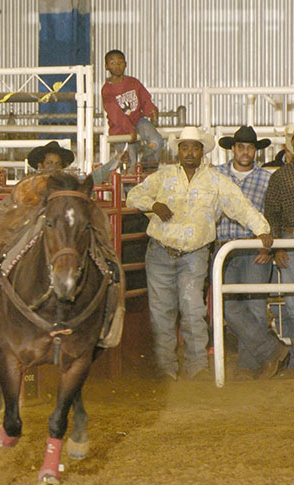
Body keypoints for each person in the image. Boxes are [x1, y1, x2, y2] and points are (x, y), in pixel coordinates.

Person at [126, 127, 272, 381]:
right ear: (179, 150)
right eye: (185, 147)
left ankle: (197, 368)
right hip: (160, 251)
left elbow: (240, 206)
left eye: (195, 147)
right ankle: (166, 369)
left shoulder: (215, 180)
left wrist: (262, 229)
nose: (190, 152)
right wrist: (153, 204)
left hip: (194, 254)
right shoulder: (163, 176)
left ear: (202, 151)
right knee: (162, 313)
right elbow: (134, 195)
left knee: (193, 310)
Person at [214, 126, 288, 379]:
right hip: (225, 248)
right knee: (229, 308)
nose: (245, 152)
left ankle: (248, 367)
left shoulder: (268, 178)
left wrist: (270, 246)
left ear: (255, 151)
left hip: (256, 248)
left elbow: (273, 215)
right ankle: (271, 350)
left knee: (255, 306)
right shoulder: (216, 176)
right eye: (241, 147)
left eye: (250, 147)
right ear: (232, 149)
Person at [263, 129, 294, 372]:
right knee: (291, 305)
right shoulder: (280, 177)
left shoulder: (281, 176)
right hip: (290, 239)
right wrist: (278, 246)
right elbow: (271, 214)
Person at [102, 49, 163, 171]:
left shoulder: (133, 82)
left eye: (120, 62)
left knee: (156, 141)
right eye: (113, 63)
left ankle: (146, 167)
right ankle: (129, 188)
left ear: (126, 64)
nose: (117, 66)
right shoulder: (107, 90)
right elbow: (116, 114)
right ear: (106, 66)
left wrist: (151, 110)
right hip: (120, 130)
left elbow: (145, 99)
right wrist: (129, 130)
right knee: (130, 162)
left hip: (139, 121)